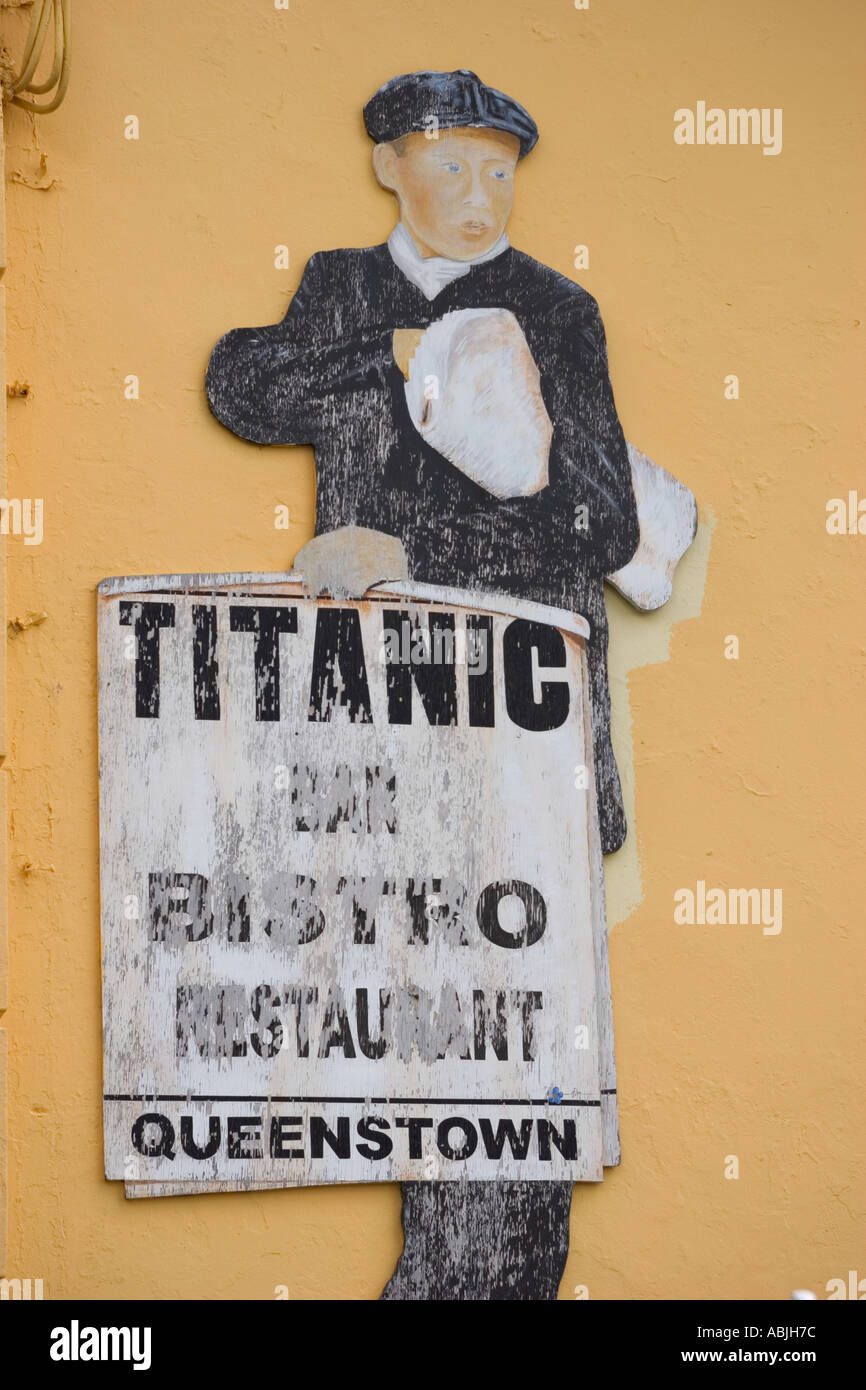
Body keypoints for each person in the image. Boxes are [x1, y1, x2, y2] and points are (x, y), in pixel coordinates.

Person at [206, 68, 640, 1300]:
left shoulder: (557, 309)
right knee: (396, 1009)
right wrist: (382, 353)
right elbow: (243, 382)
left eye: (498, 169)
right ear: (388, 161)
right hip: (379, 723)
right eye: (449, 164)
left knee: (505, 1027)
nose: (477, 194)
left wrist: (414, 558)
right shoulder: (345, 287)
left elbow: (600, 520)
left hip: (519, 714)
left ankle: (482, 1283)